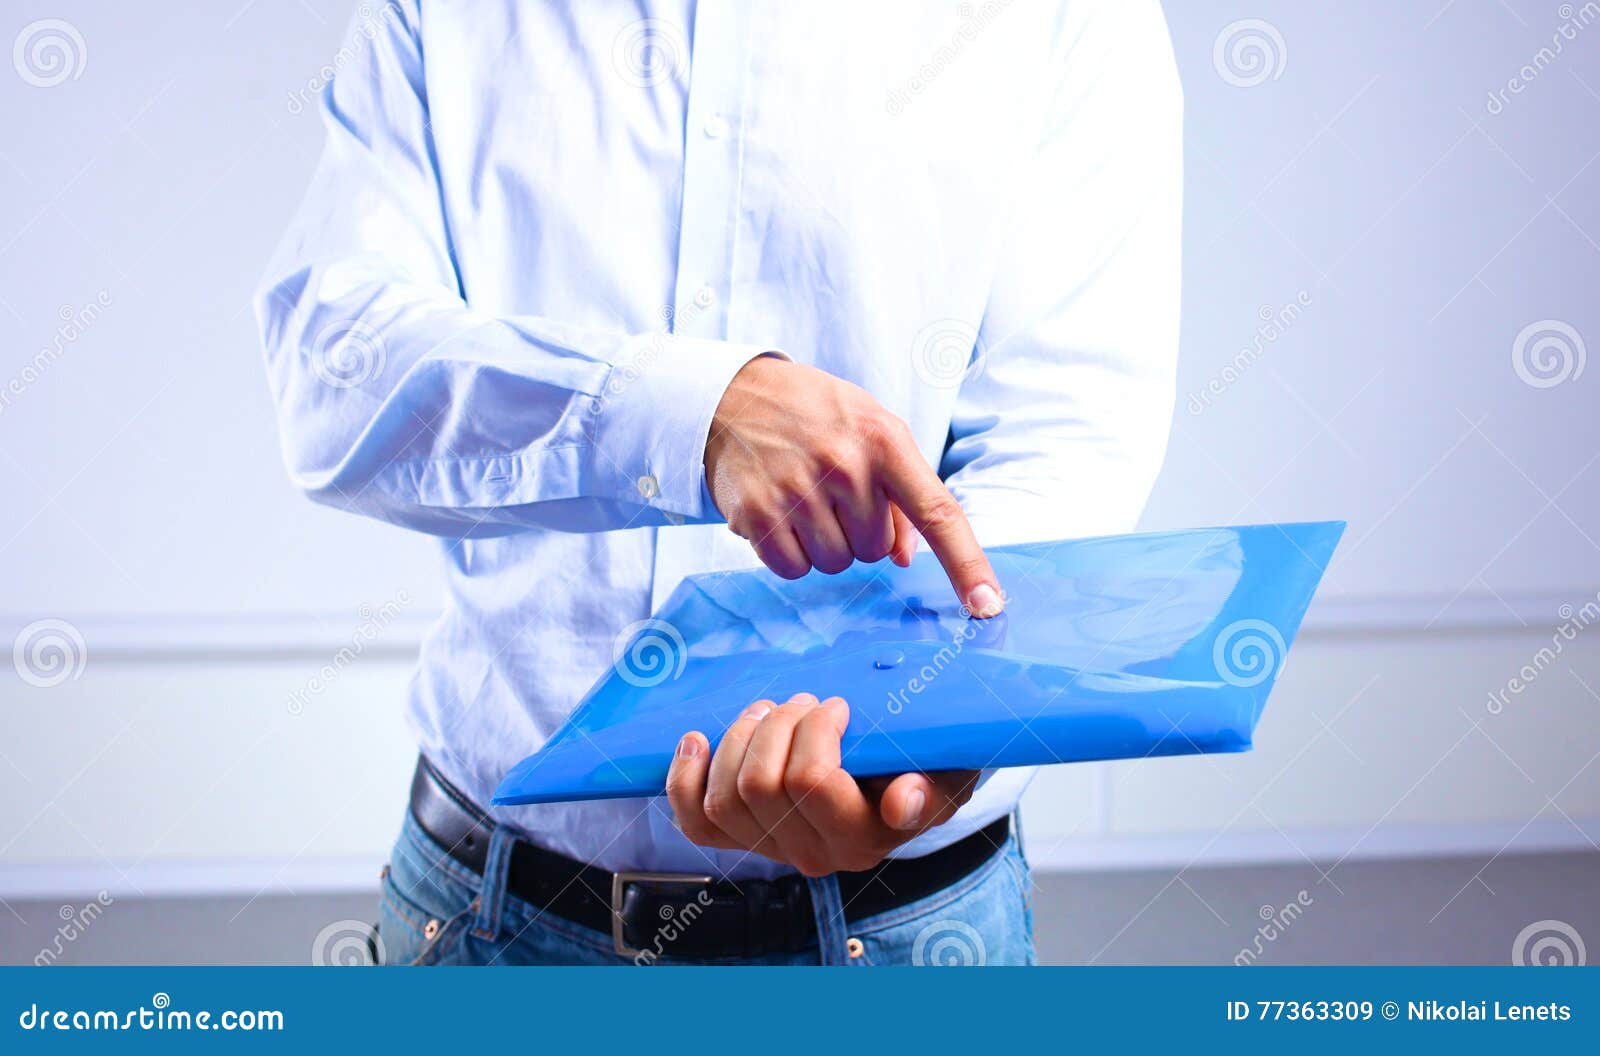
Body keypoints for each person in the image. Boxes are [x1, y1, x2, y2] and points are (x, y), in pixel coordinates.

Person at [256, 0, 1180, 966]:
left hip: (907, 935)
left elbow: (1067, 432)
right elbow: (332, 371)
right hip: (487, 920)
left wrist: (934, 725)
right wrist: (691, 414)